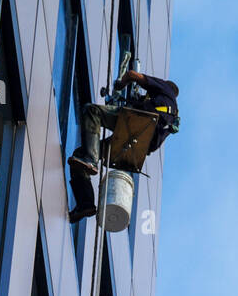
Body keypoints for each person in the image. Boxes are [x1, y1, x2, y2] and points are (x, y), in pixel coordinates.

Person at [67, 70, 180, 222]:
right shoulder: (173, 115)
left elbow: (132, 75)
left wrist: (119, 85)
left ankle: (90, 160)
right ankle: (85, 204)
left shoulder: (165, 89)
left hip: (138, 121)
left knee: (92, 111)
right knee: (79, 154)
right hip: (139, 146)